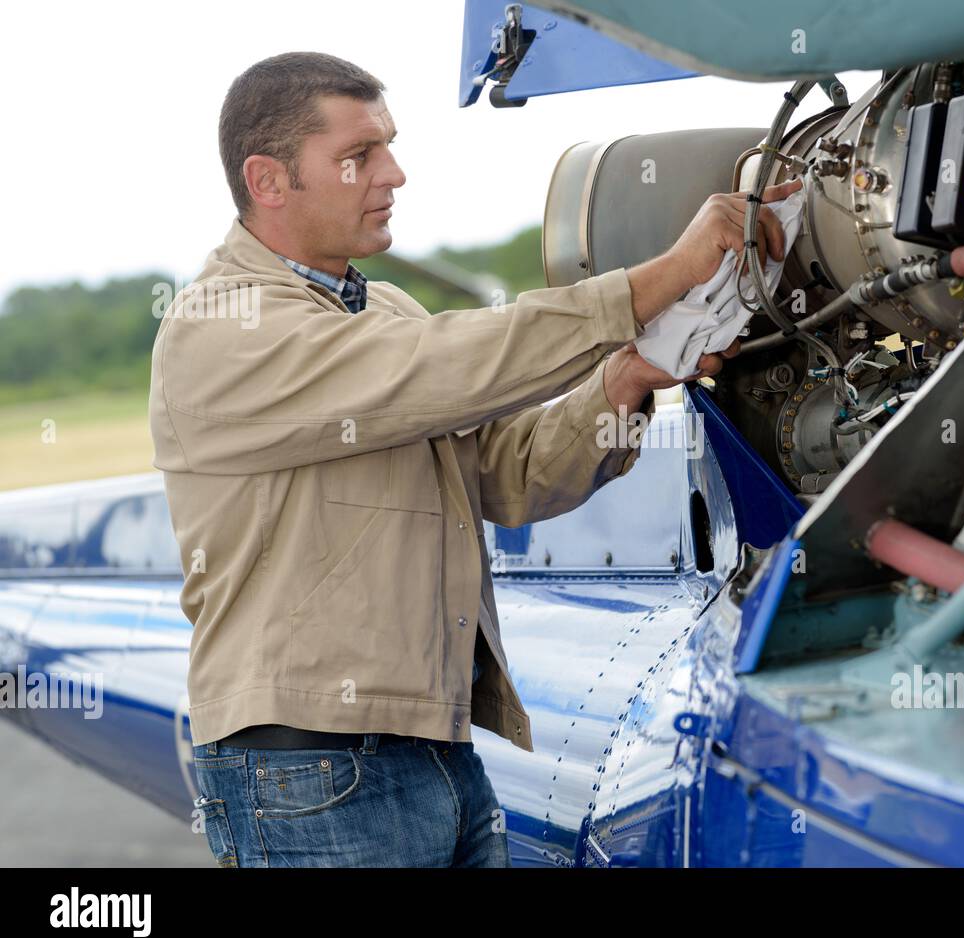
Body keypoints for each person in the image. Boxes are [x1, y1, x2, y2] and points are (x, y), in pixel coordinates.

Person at [151, 51, 799, 867]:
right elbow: (436, 366)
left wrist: (627, 377)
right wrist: (659, 279)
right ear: (268, 180)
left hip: (439, 752)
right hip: (308, 775)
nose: (394, 173)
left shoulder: (379, 310)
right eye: (358, 156)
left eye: (387, 145)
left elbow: (510, 473)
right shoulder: (222, 326)